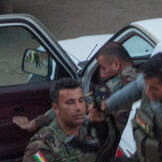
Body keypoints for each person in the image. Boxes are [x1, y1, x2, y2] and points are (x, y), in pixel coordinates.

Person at [11, 43, 139, 132]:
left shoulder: (117, 85)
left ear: (116, 64)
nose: (101, 73)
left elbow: (78, 105)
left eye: (103, 68)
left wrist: (33, 124)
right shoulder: (142, 77)